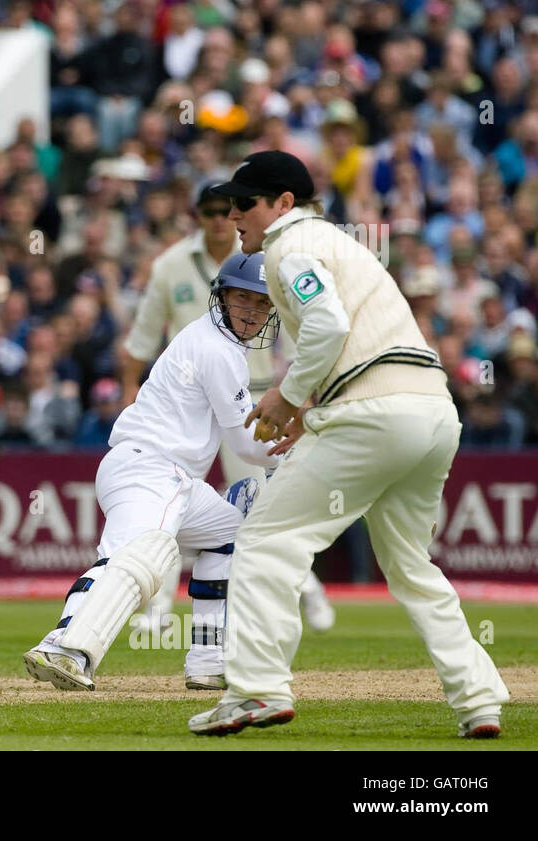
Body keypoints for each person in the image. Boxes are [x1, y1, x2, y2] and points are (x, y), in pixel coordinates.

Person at [188, 151, 509, 738]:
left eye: (245, 202)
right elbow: (353, 340)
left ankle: (256, 690)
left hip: (374, 414)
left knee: (264, 537)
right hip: (431, 412)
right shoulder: (343, 246)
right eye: (230, 202)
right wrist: (308, 406)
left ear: (283, 204)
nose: (233, 214)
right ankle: (478, 699)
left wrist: (287, 396)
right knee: (412, 566)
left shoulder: (290, 246)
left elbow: (328, 325)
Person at [23, 251, 280, 691]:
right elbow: (244, 444)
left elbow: (246, 440)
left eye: (261, 304)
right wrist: (299, 458)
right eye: (243, 300)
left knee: (230, 534)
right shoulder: (218, 349)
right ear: (221, 298)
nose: (252, 313)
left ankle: (207, 659)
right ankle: (63, 645)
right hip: (152, 469)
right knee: (135, 555)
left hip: (174, 478)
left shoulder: (214, 341)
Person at [119, 183, 335, 636]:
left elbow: (298, 340)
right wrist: (129, 394)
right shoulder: (170, 265)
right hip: (188, 403)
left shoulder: (266, 262)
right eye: (210, 211)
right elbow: (140, 341)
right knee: (170, 500)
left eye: (227, 211)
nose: (220, 219)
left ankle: (308, 589)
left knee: (258, 506)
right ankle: (159, 610)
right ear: (198, 215)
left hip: (255, 399)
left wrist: (297, 396)